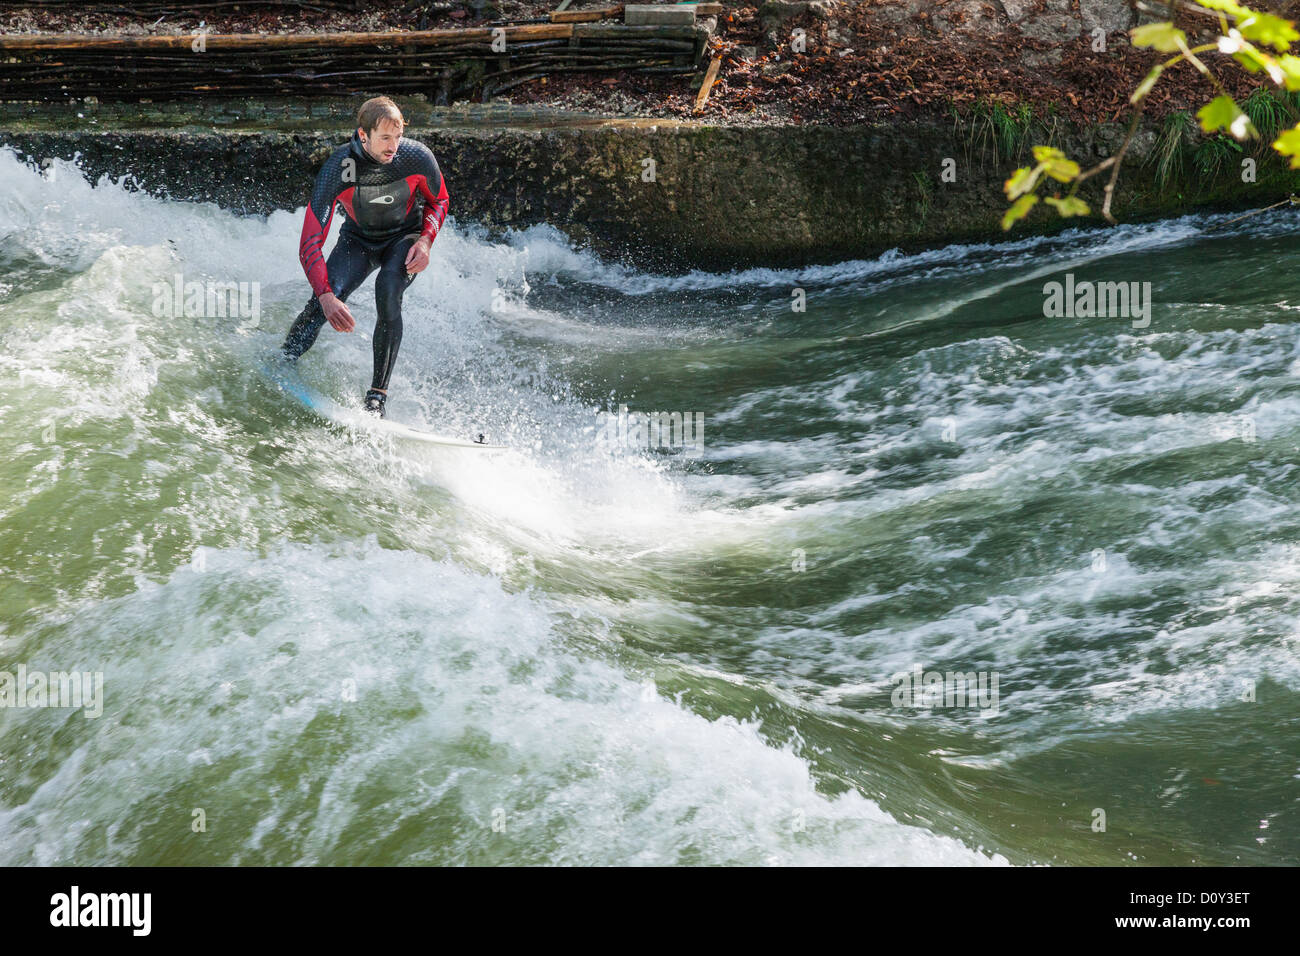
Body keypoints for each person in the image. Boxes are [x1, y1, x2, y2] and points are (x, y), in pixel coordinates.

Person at [281, 96, 449, 418]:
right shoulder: (340, 168)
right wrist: (328, 296)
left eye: (397, 137)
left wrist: (426, 241)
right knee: (320, 303)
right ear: (363, 135)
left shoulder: (416, 158)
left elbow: (439, 200)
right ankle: (284, 361)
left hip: (405, 239)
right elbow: (309, 244)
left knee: (388, 292)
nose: (393, 146)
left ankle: (376, 397)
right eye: (385, 138)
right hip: (358, 241)